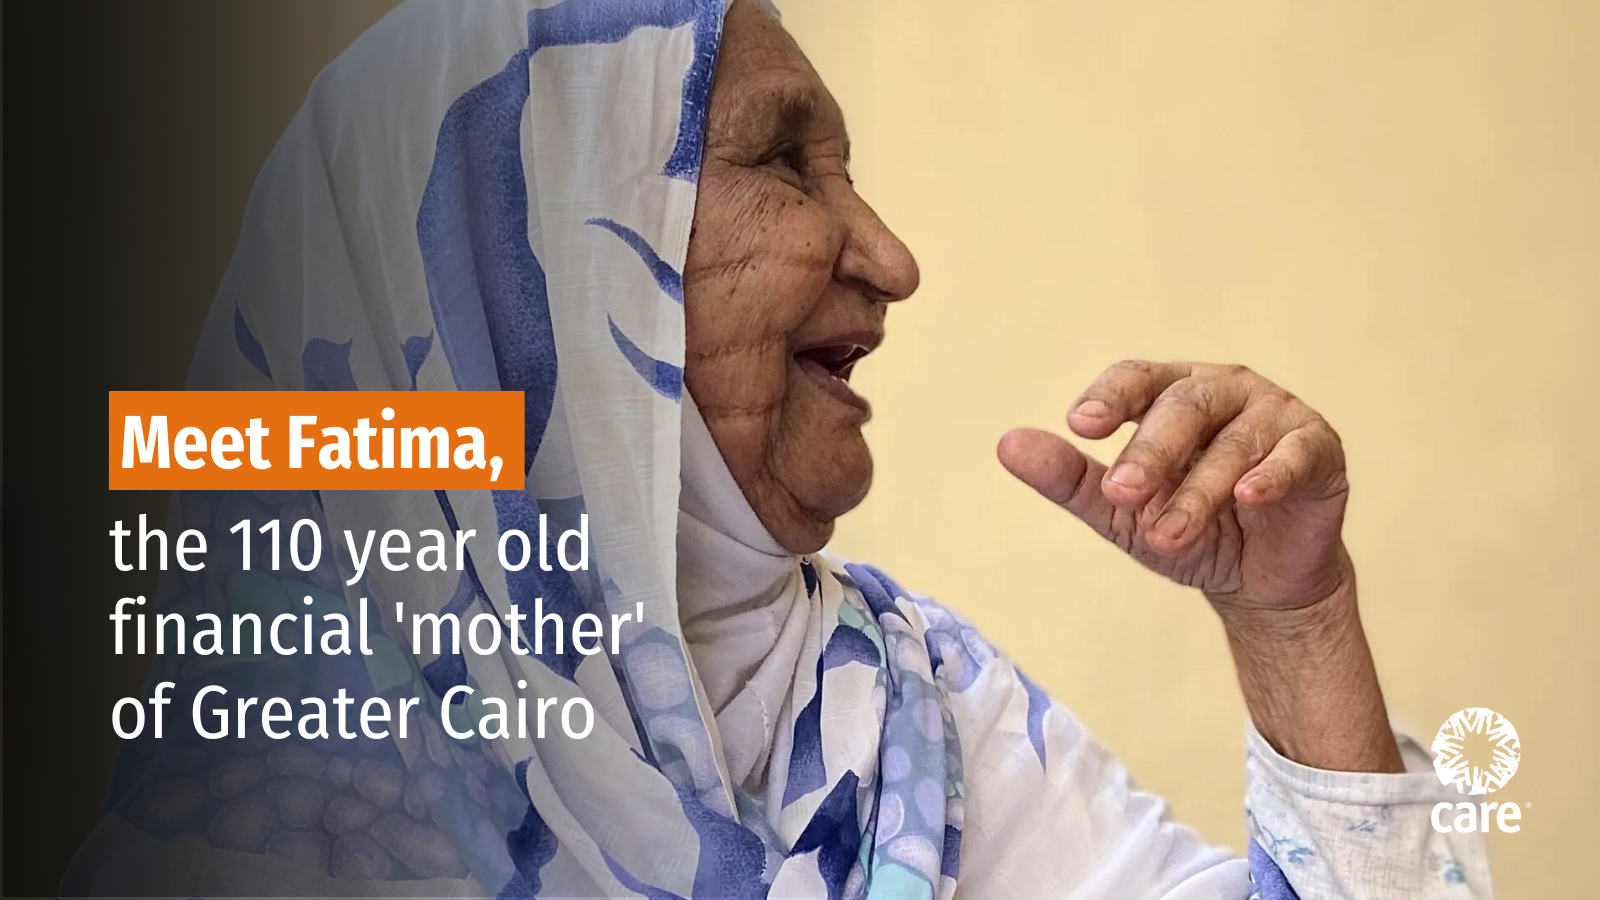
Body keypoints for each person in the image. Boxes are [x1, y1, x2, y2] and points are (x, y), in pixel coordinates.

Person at [63, 1, 1491, 897]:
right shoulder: (258, 808)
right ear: (523, 262)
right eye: (783, 162)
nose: (891, 257)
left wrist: (1298, 623)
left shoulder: (906, 707)